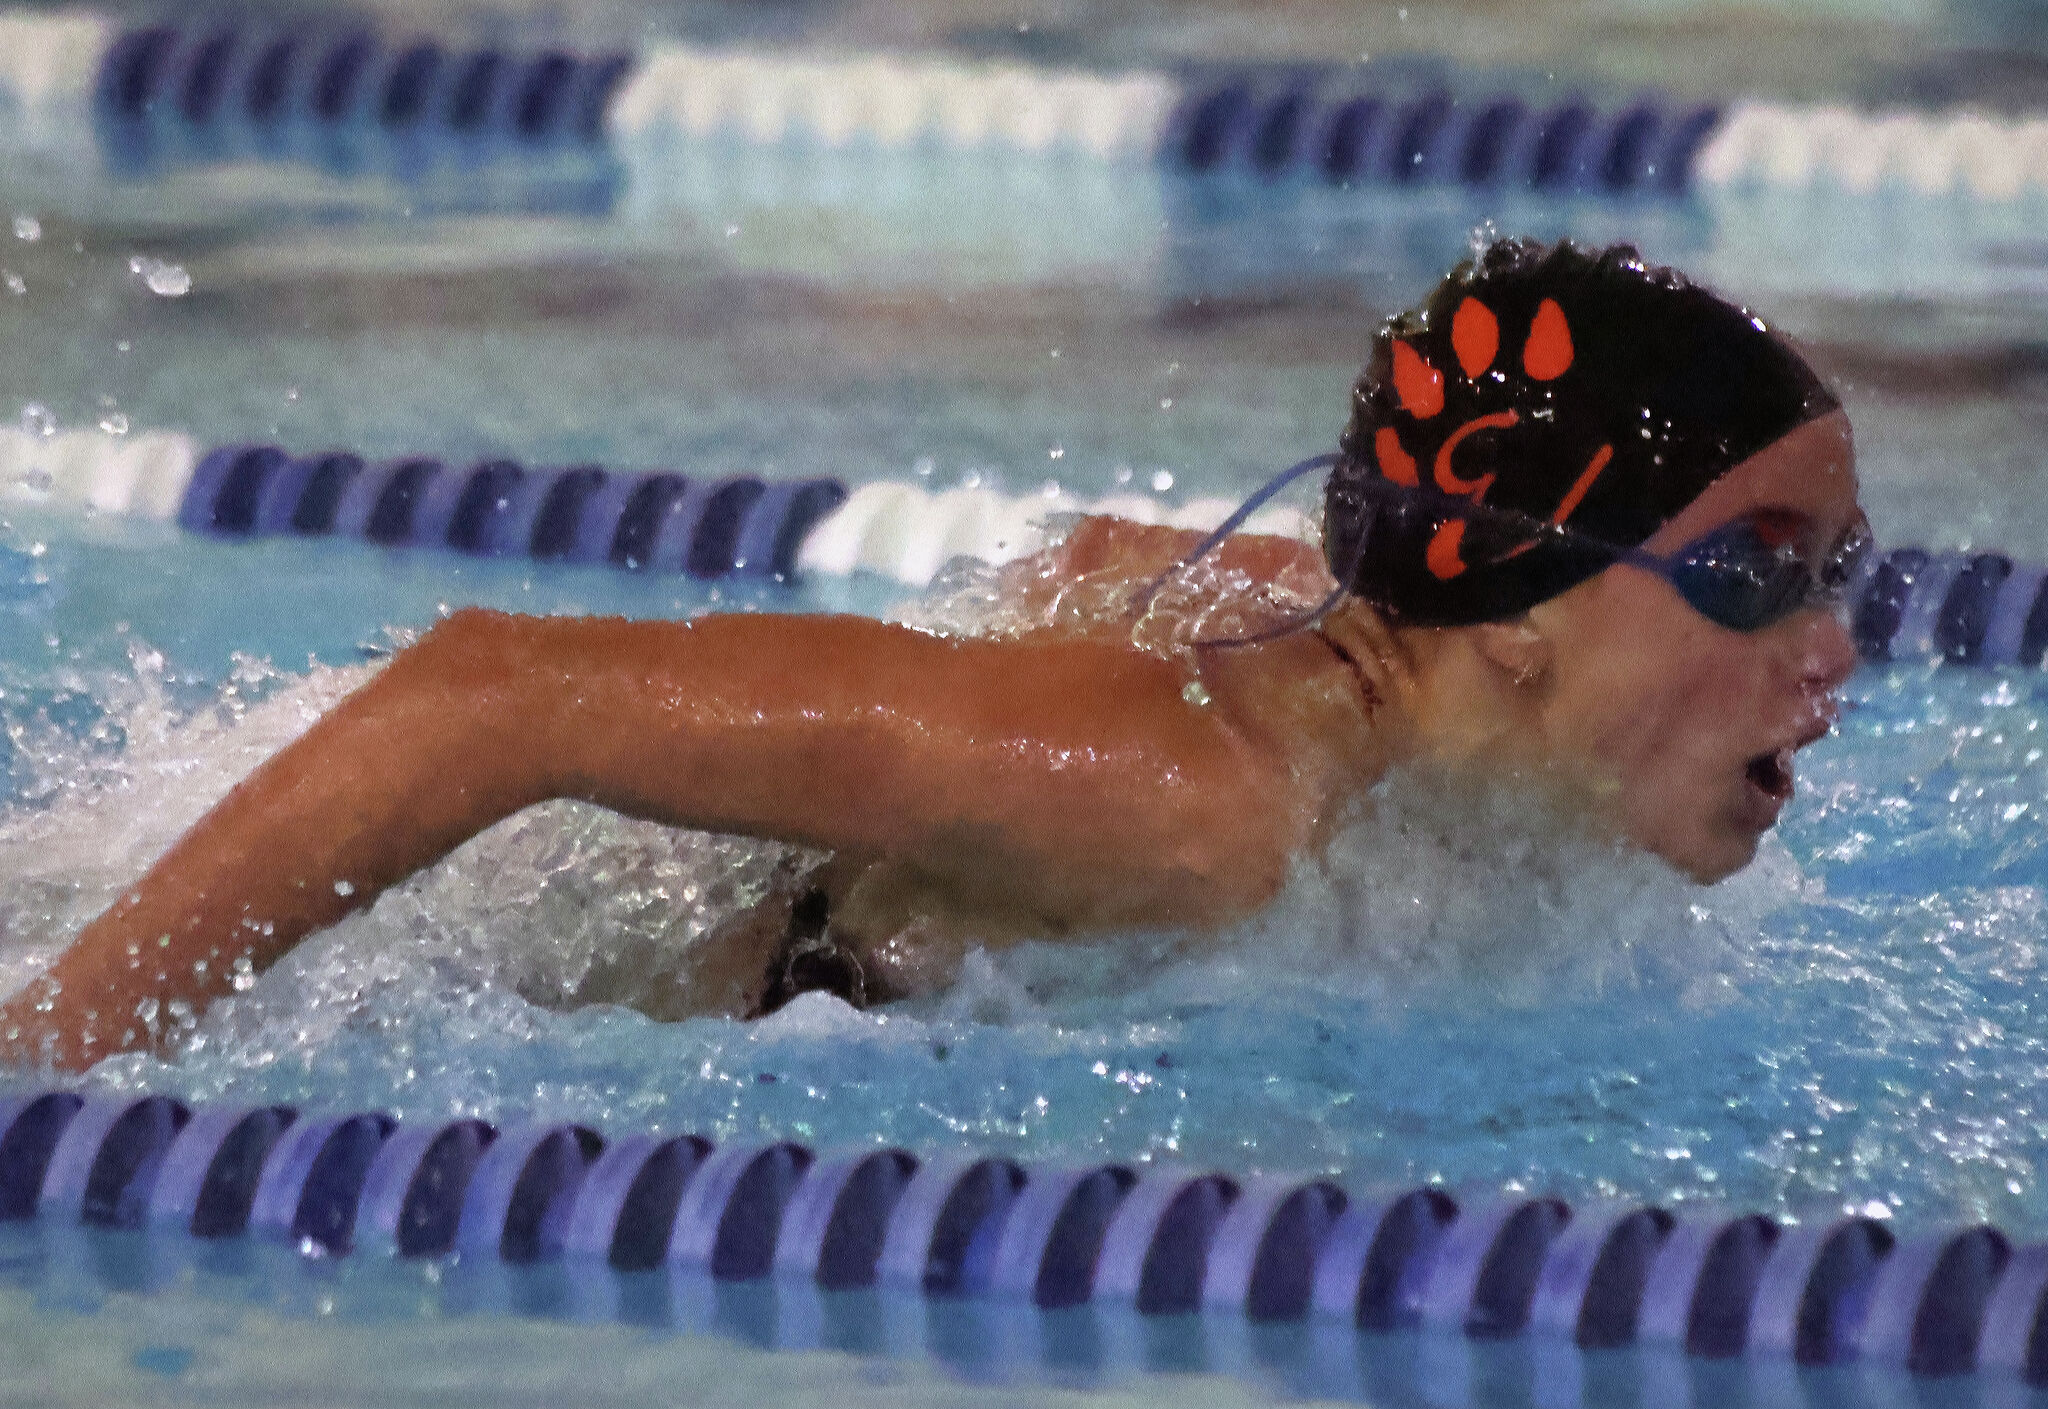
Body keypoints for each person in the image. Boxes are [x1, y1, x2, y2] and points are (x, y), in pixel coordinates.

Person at [0, 238, 1868, 1070]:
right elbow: (497, 688)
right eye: (1756, 576)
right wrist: (49, 1050)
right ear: (1528, 611)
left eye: (1838, 574)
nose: (1831, 651)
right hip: (495, 954)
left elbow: (1099, 558)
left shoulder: (1370, 667)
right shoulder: (1194, 803)